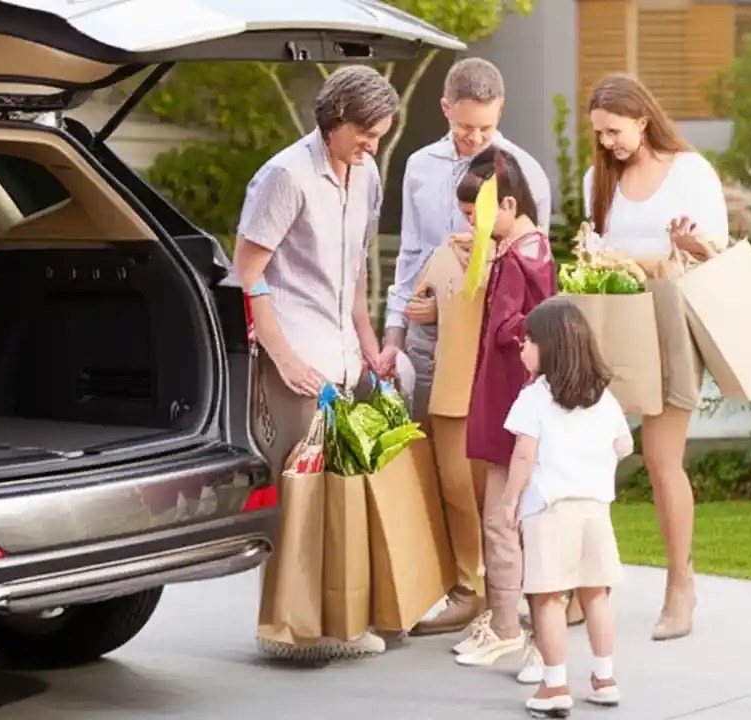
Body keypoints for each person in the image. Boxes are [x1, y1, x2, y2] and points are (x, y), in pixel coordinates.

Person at [234, 65, 398, 660]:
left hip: (346, 358)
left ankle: (341, 622)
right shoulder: (285, 176)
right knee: (302, 497)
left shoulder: (367, 171)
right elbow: (246, 276)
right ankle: (293, 633)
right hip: (296, 358)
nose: (373, 146)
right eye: (366, 134)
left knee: (342, 492)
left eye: (380, 135)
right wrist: (284, 357)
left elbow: (354, 270)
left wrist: (370, 344)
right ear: (333, 122)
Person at [387, 56, 552, 637]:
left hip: (505, 355)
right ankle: (468, 587)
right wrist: (397, 330)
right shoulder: (417, 168)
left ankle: (533, 585)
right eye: (464, 128)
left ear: (500, 111)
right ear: (444, 109)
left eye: (484, 128)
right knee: (452, 476)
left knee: (508, 476)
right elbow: (409, 256)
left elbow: (538, 269)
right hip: (438, 345)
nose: (474, 138)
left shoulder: (523, 171)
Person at [583, 72, 729, 641]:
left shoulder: (689, 171)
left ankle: (680, 585)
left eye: (614, 131)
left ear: (642, 120)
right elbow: (595, 249)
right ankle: (581, 587)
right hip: (613, 323)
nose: (607, 143)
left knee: (661, 457)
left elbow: (713, 248)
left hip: (668, 321)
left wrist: (688, 242)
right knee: (589, 453)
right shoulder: (600, 176)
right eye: (598, 133)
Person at [451, 148, 556, 677]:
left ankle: (511, 630)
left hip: (510, 408)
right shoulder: (532, 250)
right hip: (517, 405)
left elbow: (508, 328)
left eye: (478, 217)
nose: (473, 226)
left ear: (507, 204)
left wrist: (509, 326)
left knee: (504, 520)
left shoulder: (520, 259)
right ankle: (518, 630)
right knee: (518, 521)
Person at [498, 297, 630, 716]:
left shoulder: (535, 397)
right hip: (595, 509)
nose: (522, 348)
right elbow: (624, 445)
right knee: (596, 595)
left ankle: (555, 686)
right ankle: (604, 677)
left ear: (549, 348)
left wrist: (508, 500)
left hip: (550, 510)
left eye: (528, 341)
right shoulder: (603, 398)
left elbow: (523, 455)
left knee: (548, 597)